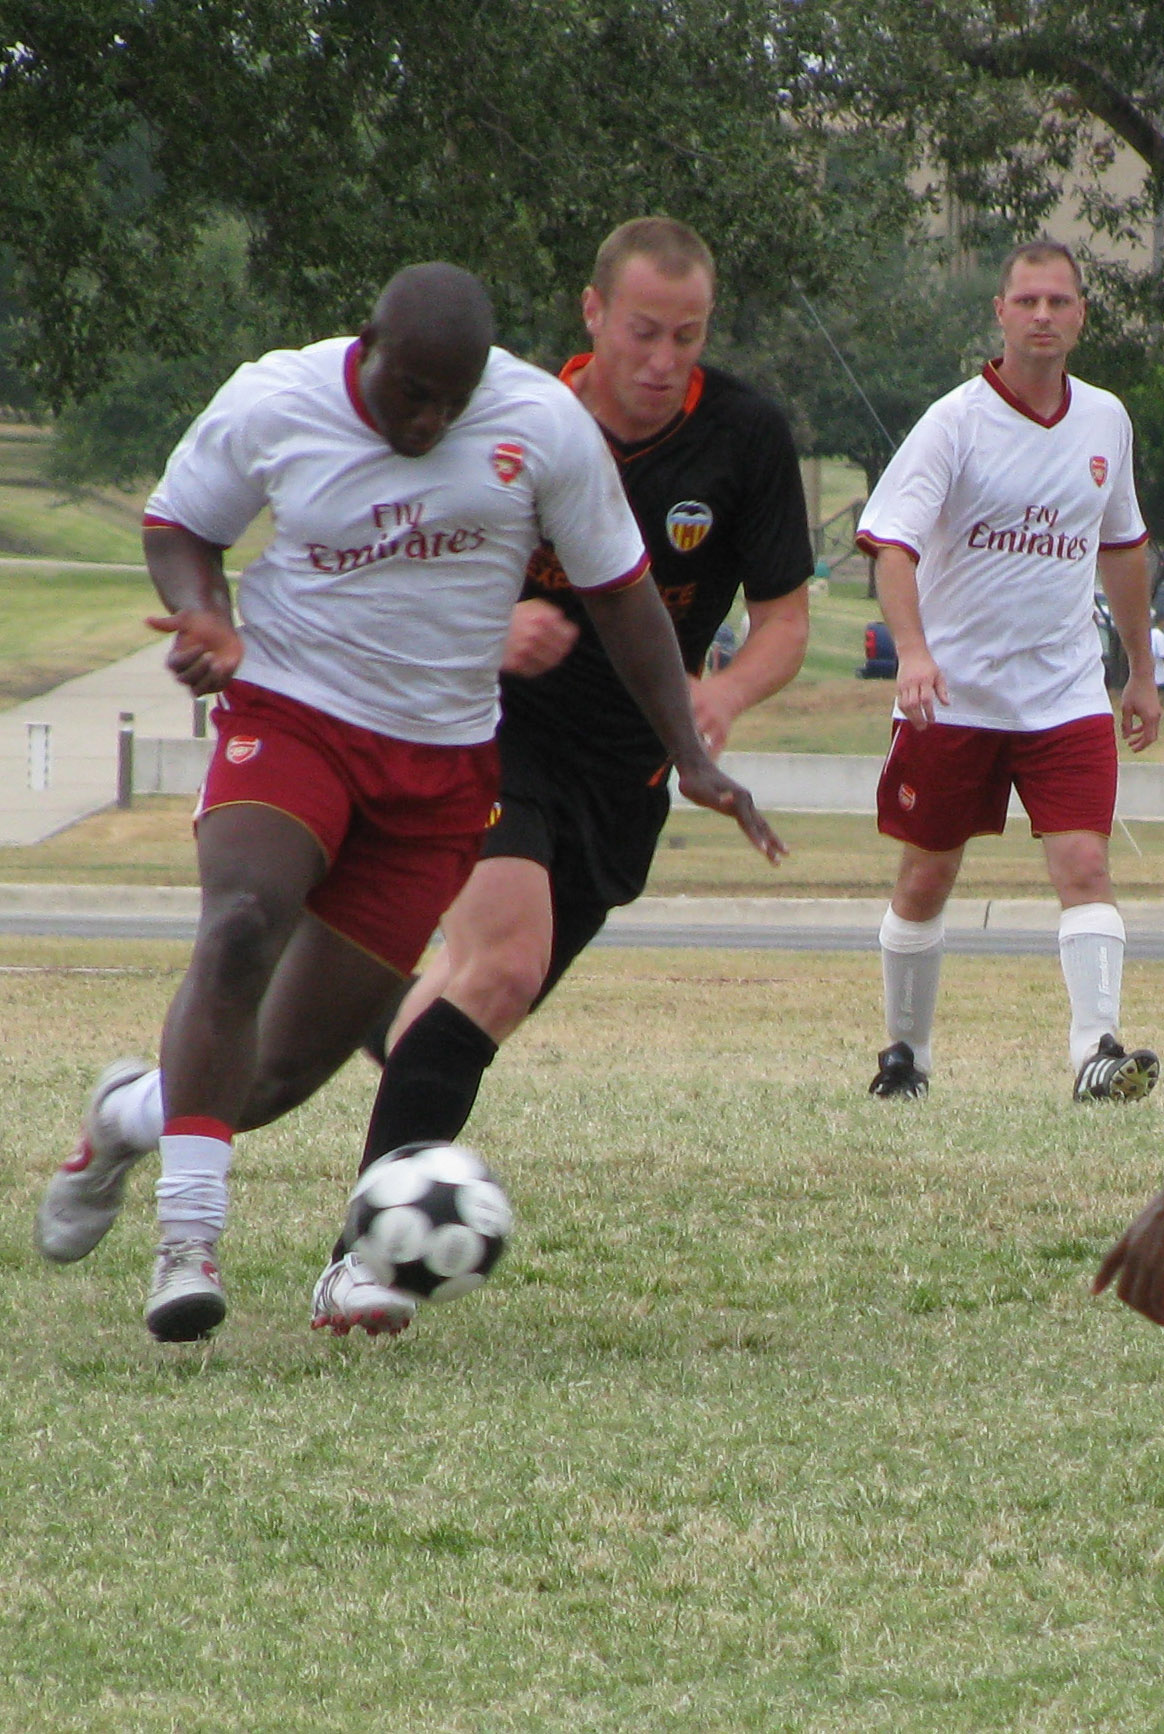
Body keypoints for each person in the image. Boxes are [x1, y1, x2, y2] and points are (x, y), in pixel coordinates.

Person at [33, 260, 782, 1344]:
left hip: (438, 766)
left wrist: (692, 752)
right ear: (367, 347)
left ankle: (127, 1116)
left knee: (284, 1069)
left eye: (453, 399)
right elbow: (179, 526)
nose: (430, 420)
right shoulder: (275, 398)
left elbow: (622, 595)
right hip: (290, 712)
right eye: (410, 395)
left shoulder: (540, 423)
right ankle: (186, 1242)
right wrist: (202, 614)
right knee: (243, 926)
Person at [340, 216, 812, 1334]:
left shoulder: (745, 437)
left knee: (461, 1011)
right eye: (644, 330)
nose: (663, 360)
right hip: (487, 727)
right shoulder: (504, 416)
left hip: (629, 773)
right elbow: (398, 558)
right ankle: (362, 1262)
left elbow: (787, 620)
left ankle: (275, 1043)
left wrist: (724, 696)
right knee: (501, 966)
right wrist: (492, 623)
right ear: (593, 314)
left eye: (687, 337)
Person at [856, 239, 1160, 1104]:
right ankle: (905, 1056)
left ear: (1080, 317)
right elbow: (892, 548)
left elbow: (1124, 548)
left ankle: (1096, 1052)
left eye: (1060, 302)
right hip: (955, 699)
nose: (1043, 317)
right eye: (1027, 301)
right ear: (999, 312)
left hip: (1063, 694)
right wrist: (914, 654)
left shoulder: (1105, 419)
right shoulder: (954, 421)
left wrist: (1141, 673)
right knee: (926, 874)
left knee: (1086, 868)